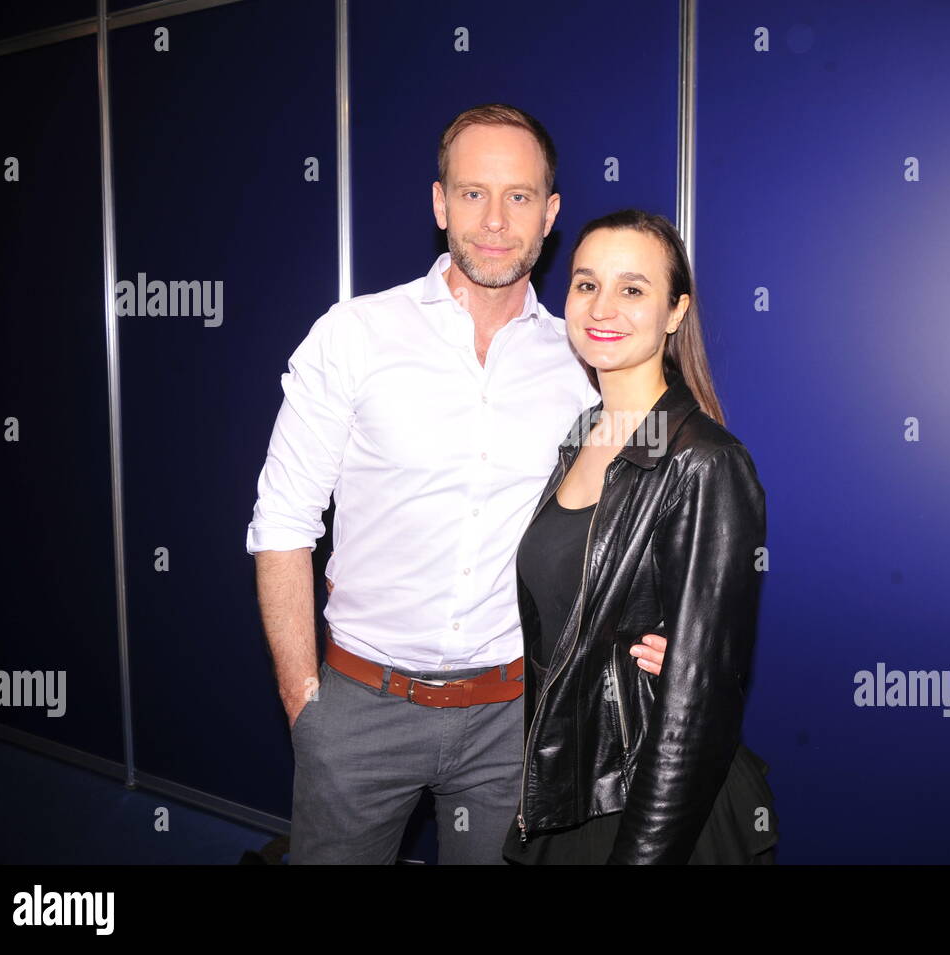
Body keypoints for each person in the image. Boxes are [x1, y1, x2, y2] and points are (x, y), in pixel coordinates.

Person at [245, 104, 669, 864]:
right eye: (473, 193)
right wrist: (303, 700)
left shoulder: (582, 365)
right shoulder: (354, 336)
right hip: (358, 711)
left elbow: (629, 521)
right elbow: (282, 521)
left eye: (520, 196)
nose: (497, 221)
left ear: (551, 215)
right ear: (440, 204)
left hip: (514, 719)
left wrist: (670, 629)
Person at [501, 209, 778, 864]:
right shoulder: (580, 435)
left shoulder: (705, 462)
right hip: (575, 790)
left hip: (655, 803)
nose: (603, 307)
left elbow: (698, 708)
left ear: (676, 311)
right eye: (586, 283)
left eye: (633, 289)